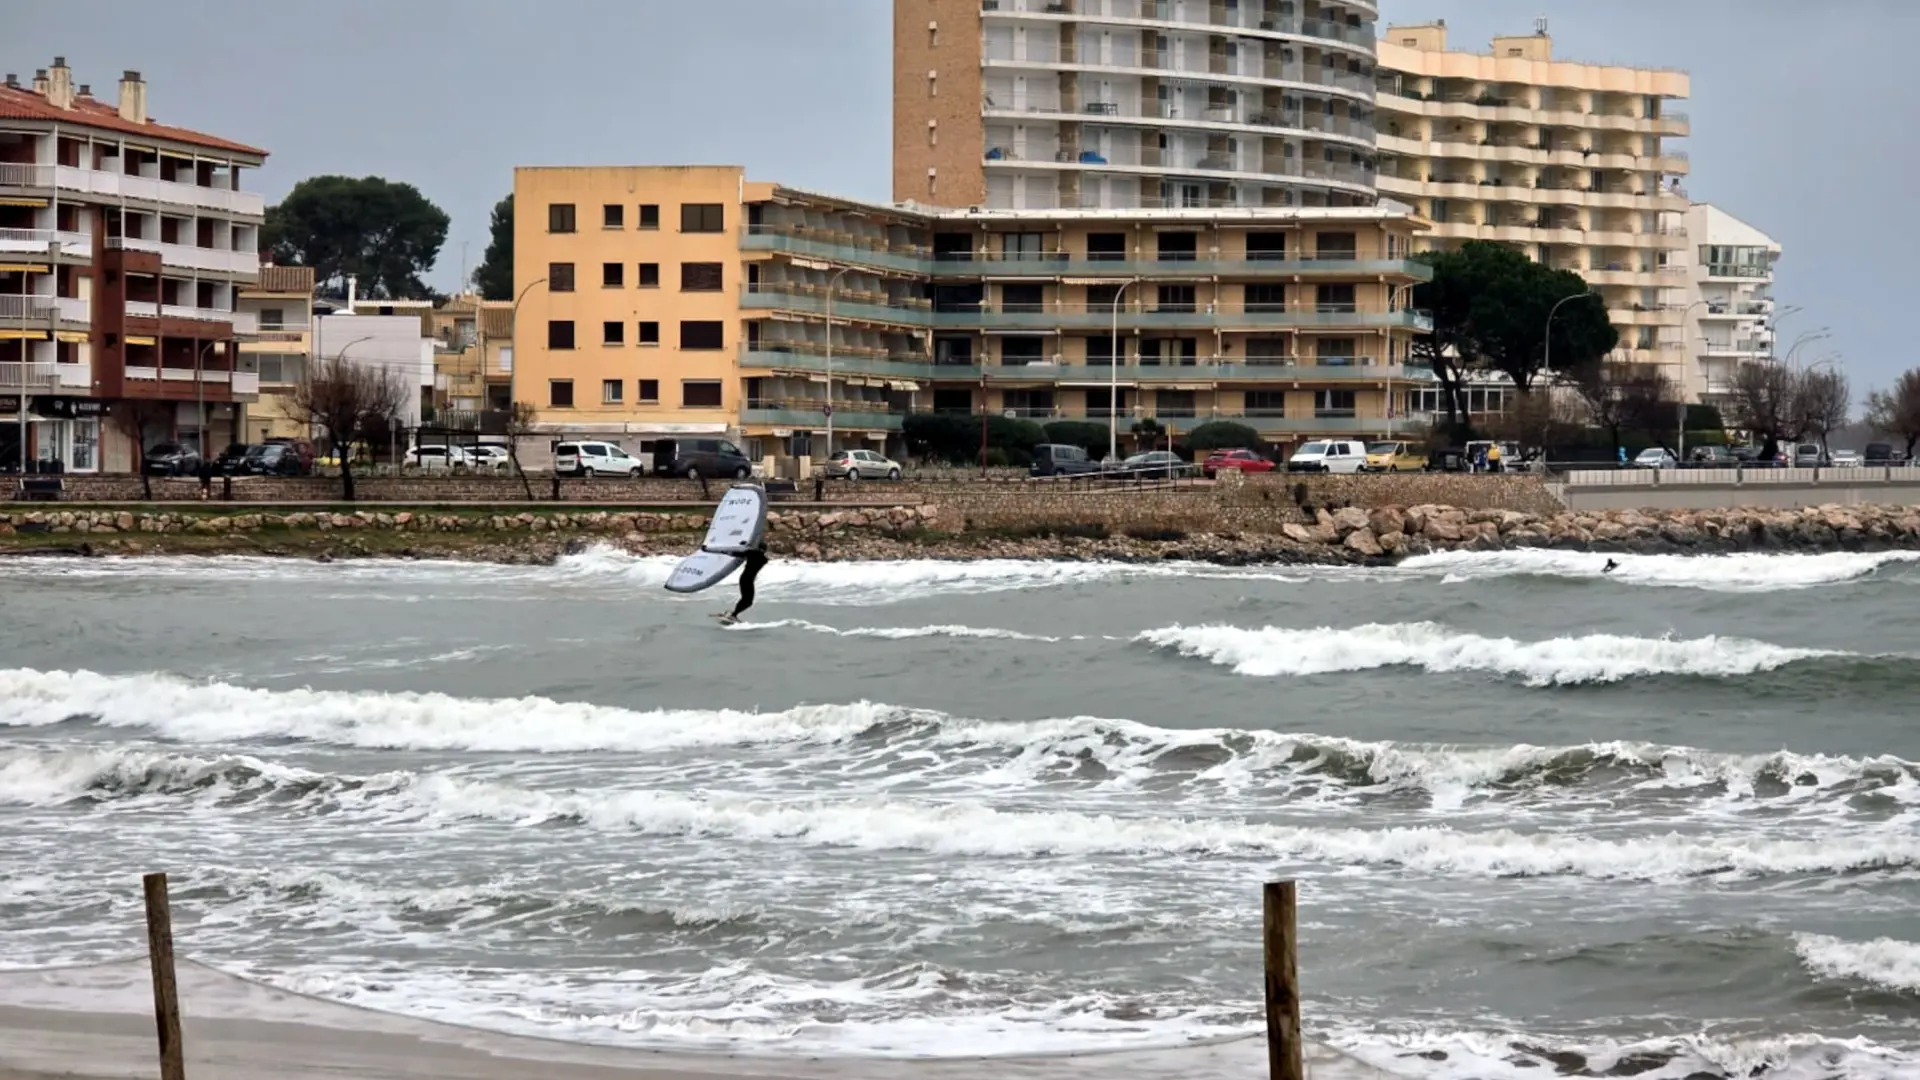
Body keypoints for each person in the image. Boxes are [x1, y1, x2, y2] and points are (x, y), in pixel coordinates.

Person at [722, 539, 770, 623]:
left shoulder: (752, 554)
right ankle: (733, 615)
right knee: (747, 601)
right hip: (747, 580)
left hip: (745, 579)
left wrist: (725, 551)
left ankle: (733, 614)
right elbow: (753, 554)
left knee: (746, 600)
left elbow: (737, 553)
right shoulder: (764, 559)